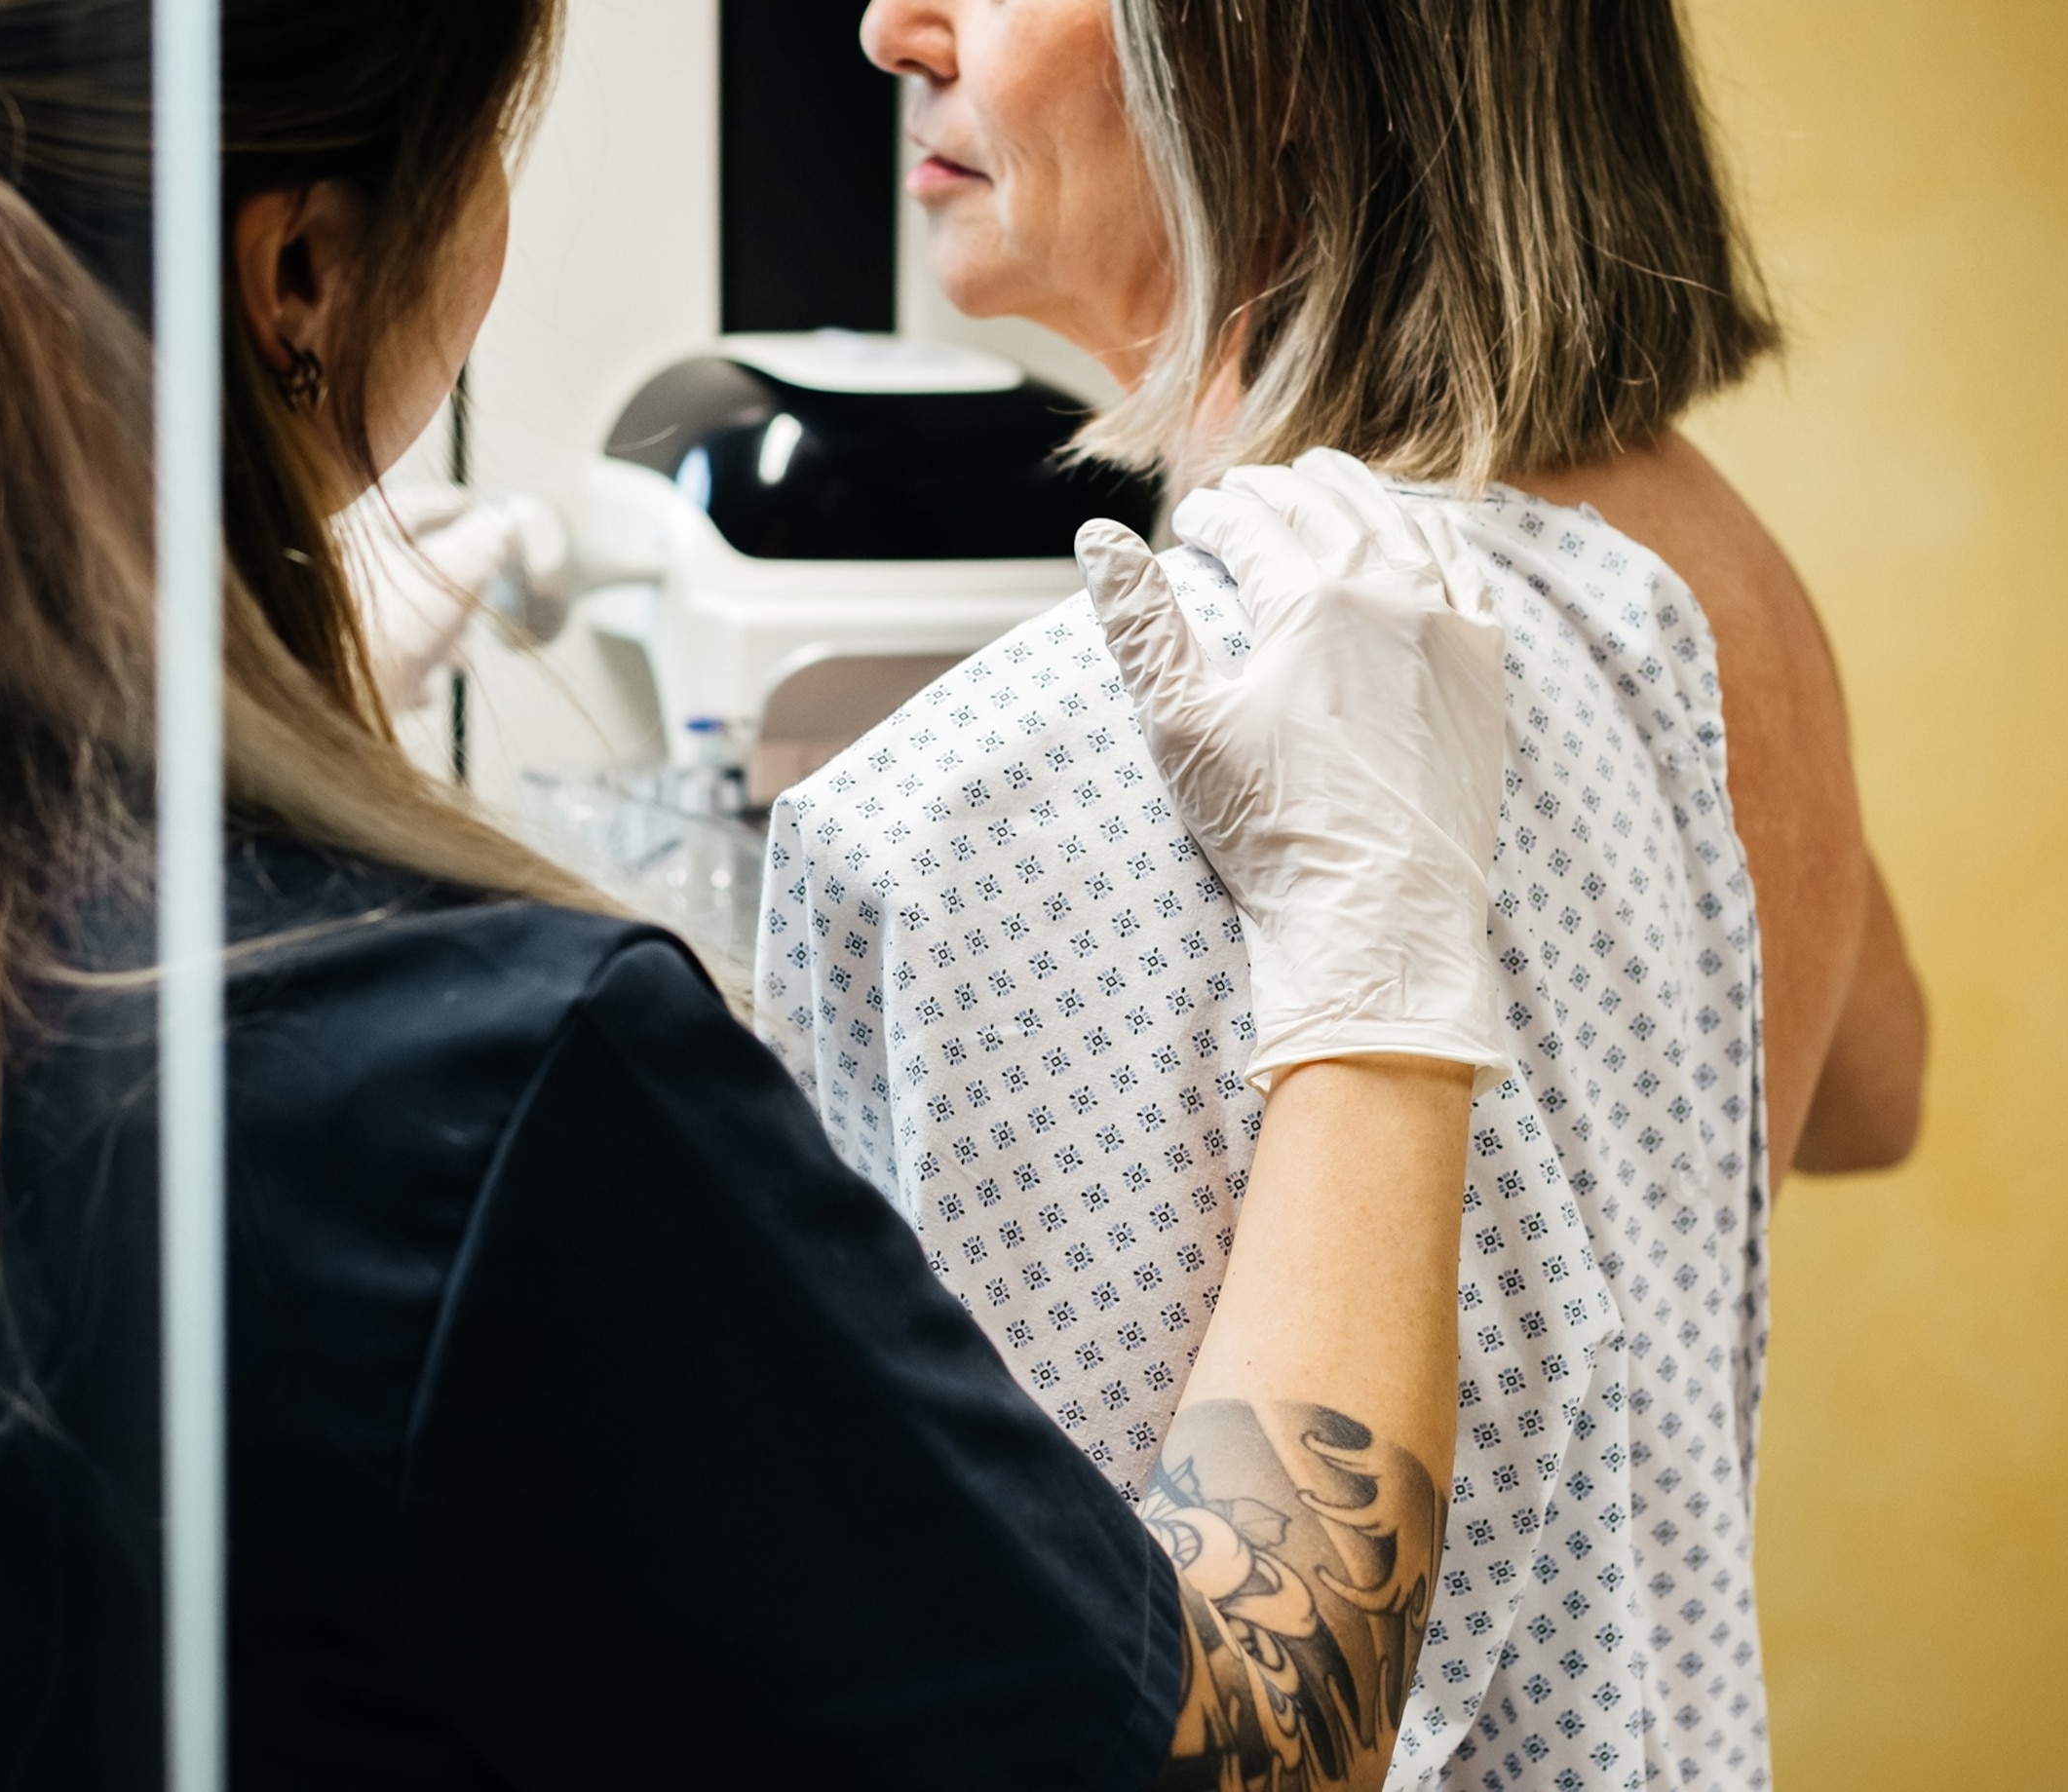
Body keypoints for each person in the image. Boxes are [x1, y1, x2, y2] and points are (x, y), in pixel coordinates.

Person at [0, 2, 1510, 1788]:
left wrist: (221, 681)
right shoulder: (492, 1088)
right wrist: (1381, 963)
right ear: (305, 267)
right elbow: (1231, 1763)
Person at [758, 4, 1931, 1790]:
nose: (892, 22)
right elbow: (1864, 1090)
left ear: (1289, 50)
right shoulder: (1696, 581)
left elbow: (1109, 1723)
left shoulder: (1076, 766)